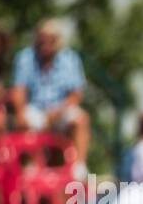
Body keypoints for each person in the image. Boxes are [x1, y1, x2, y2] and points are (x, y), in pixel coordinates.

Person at [11, 19, 89, 176]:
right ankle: (32, 168)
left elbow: (76, 94)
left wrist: (58, 112)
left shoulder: (70, 59)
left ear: (57, 41)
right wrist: (20, 113)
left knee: (81, 119)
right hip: (35, 109)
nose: (45, 44)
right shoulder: (25, 58)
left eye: (50, 40)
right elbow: (18, 91)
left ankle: (79, 168)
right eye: (42, 39)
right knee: (25, 119)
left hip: (61, 109)